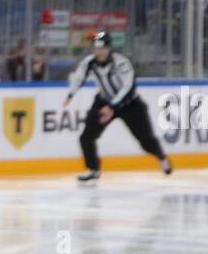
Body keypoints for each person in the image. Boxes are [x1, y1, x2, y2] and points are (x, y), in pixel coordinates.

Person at [64, 32, 170, 182]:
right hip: (103, 102)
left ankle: (161, 157)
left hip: (130, 104)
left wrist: (112, 106)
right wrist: (70, 94)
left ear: (109, 48)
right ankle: (93, 169)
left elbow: (128, 86)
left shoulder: (121, 62)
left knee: (146, 141)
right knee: (86, 137)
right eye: (96, 48)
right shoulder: (89, 62)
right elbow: (79, 77)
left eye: (102, 48)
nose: (99, 52)